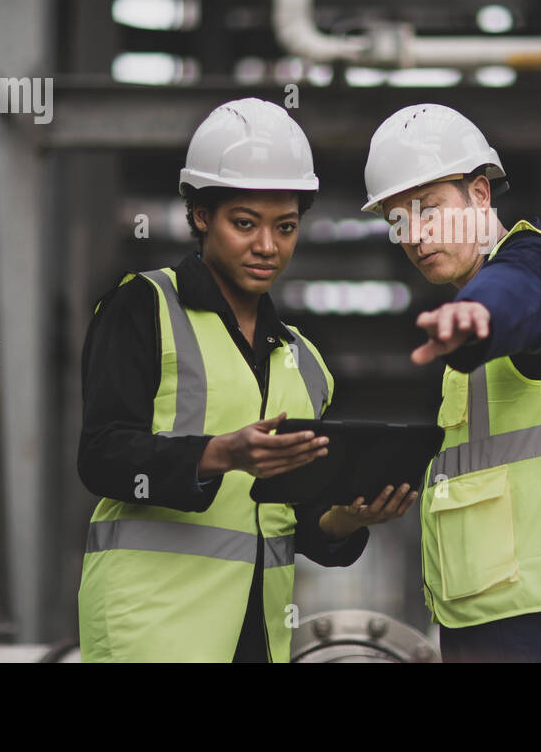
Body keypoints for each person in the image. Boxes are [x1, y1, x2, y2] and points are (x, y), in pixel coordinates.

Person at [77, 98, 416, 662]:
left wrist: (344, 520)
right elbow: (102, 455)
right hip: (152, 629)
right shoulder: (143, 306)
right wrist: (222, 454)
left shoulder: (305, 361)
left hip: (258, 634)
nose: (267, 246)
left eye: (285, 228)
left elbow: (296, 521)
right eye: (244, 224)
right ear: (200, 216)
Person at [361, 103, 541, 663]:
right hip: (489, 613)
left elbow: (516, 293)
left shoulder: (532, 263)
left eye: (430, 210)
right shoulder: (471, 303)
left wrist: (478, 318)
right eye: (399, 220)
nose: (415, 235)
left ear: (481, 195)